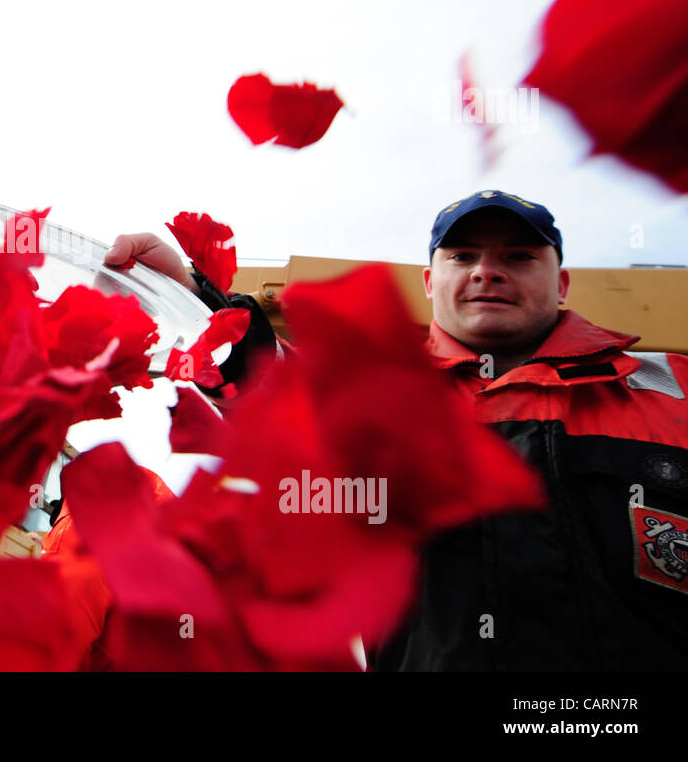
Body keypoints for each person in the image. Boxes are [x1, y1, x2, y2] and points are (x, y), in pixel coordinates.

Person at [89, 189, 688, 670]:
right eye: (462, 257)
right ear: (430, 284)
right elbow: (260, 372)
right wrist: (192, 293)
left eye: (518, 256)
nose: (487, 271)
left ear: (561, 284)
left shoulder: (673, 388)